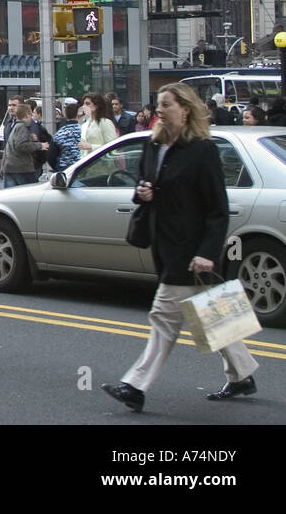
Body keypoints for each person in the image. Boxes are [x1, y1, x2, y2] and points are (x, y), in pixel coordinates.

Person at [101, 83, 261, 412]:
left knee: (163, 317)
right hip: (162, 242)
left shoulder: (202, 150)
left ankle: (135, 385)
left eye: (166, 104)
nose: (159, 110)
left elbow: (218, 208)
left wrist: (207, 251)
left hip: (190, 247)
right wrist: (143, 193)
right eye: (158, 104)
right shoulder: (153, 145)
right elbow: (146, 188)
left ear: (185, 109)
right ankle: (242, 374)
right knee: (210, 313)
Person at [0, 104, 44, 188]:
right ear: (27, 115)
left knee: (9, 196)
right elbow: (21, 145)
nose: (32, 117)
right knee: (31, 194)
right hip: (21, 168)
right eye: (31, 114)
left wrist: (30, 137)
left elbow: (16, 142)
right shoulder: (22, 127)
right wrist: (40, 145)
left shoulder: (16, 126)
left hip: (10, 166)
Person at [50, 101, 82, 172]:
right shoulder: (84, 130)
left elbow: (51, 155)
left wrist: (56, 167)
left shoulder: (59, 133)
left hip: (64, 168)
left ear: (66, 115)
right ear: (78, 115)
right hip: (82, 166)